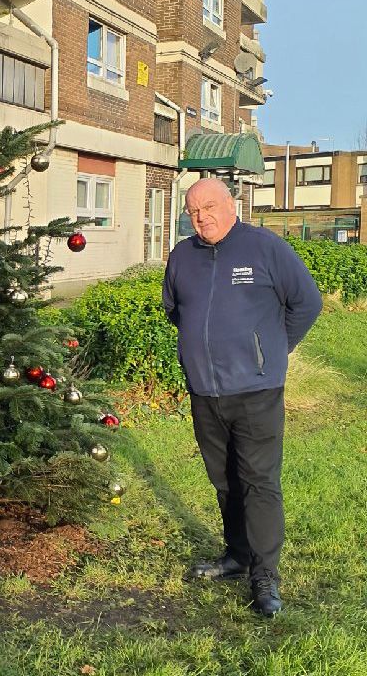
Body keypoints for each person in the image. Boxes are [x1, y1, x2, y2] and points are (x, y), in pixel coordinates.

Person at [163, 177, 321, 617]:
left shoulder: (265, 248)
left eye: (210, 207)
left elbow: (307, 303)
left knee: (259, 482)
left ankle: (265, 577)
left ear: (231, 206)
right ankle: (237, 555)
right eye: (194, 211)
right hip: (205, 392)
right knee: (224, 480)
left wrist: (270, 350)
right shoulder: (182, 256)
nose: (202, 217)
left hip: (257, 389)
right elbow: (178, 310)